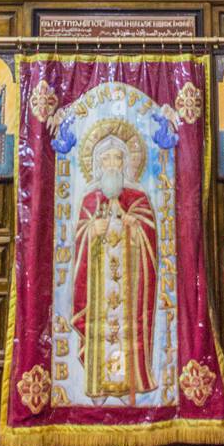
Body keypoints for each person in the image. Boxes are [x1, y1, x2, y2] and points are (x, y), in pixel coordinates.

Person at [72, 136, 157, 398]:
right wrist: (91, 233)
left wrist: (131, 223)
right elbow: (80, 237)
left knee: (128, 329)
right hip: (98, 287)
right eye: (106, 159)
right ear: (97, 164)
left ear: (126, 163)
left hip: (129, 288)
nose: (112, 164)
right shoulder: (89, 198)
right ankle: (99, 383)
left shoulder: (138, 197)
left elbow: (149, 234)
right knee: (102, 329)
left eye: (117, 158)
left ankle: (131, 381)